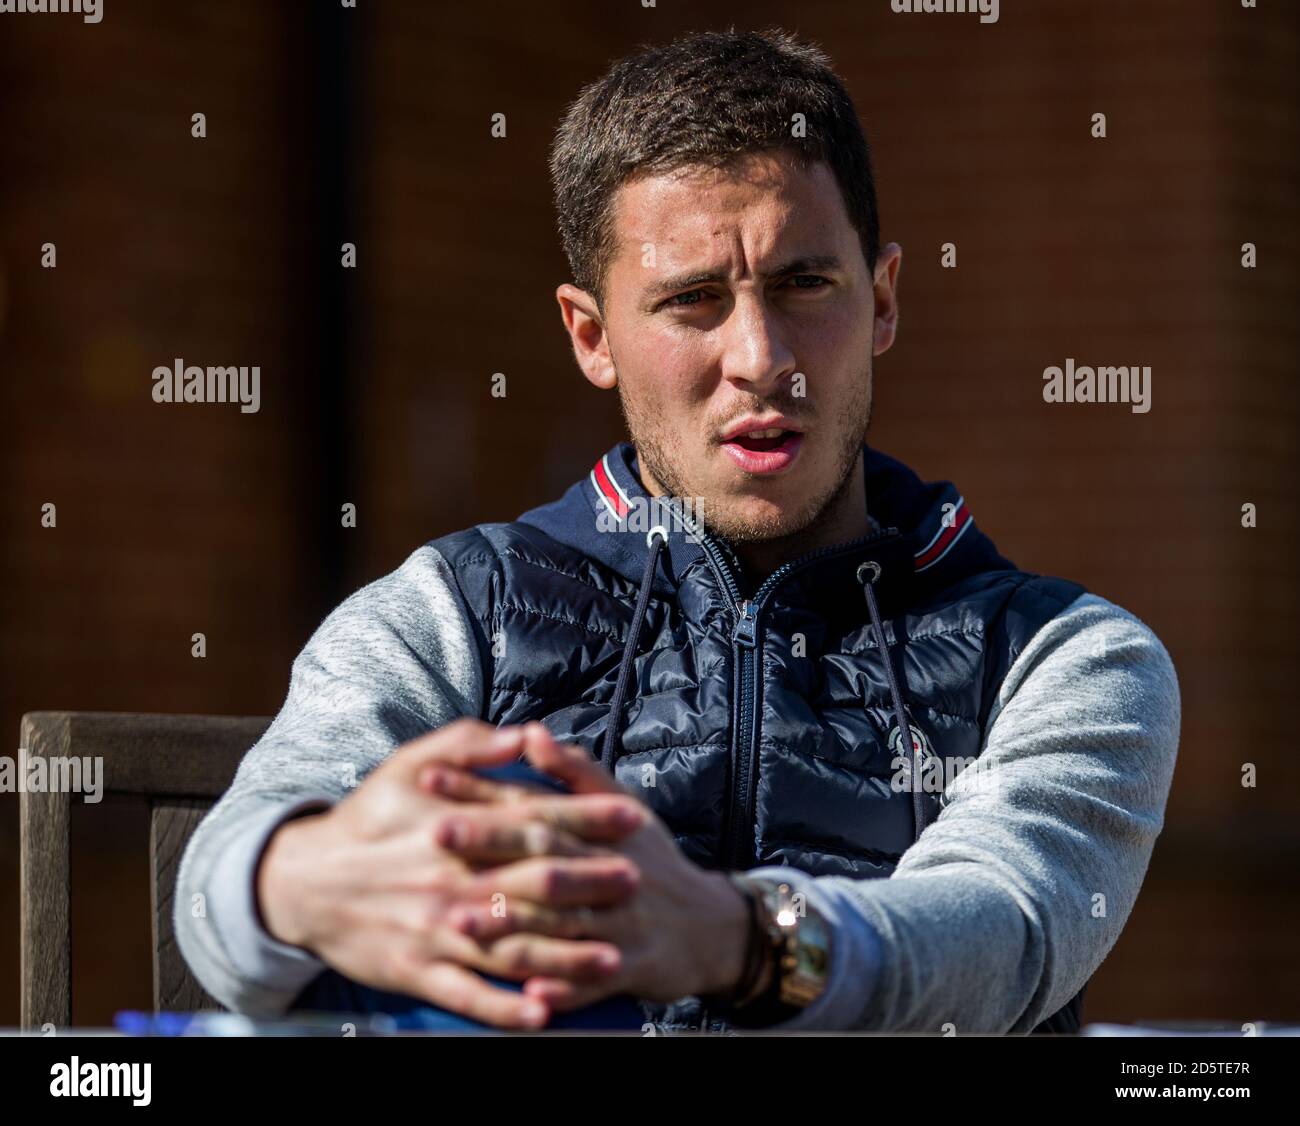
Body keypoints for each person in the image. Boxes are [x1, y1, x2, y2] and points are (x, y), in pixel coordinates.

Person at [174, 26, 1180, 1035]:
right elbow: (225, 887)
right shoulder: (450, 615)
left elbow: (998, 936)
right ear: (591, 336)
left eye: (804, 284)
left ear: (881, 299)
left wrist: (734, 938)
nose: (759, 356)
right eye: (693, 301)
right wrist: (300, 875)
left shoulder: (1066, 655)